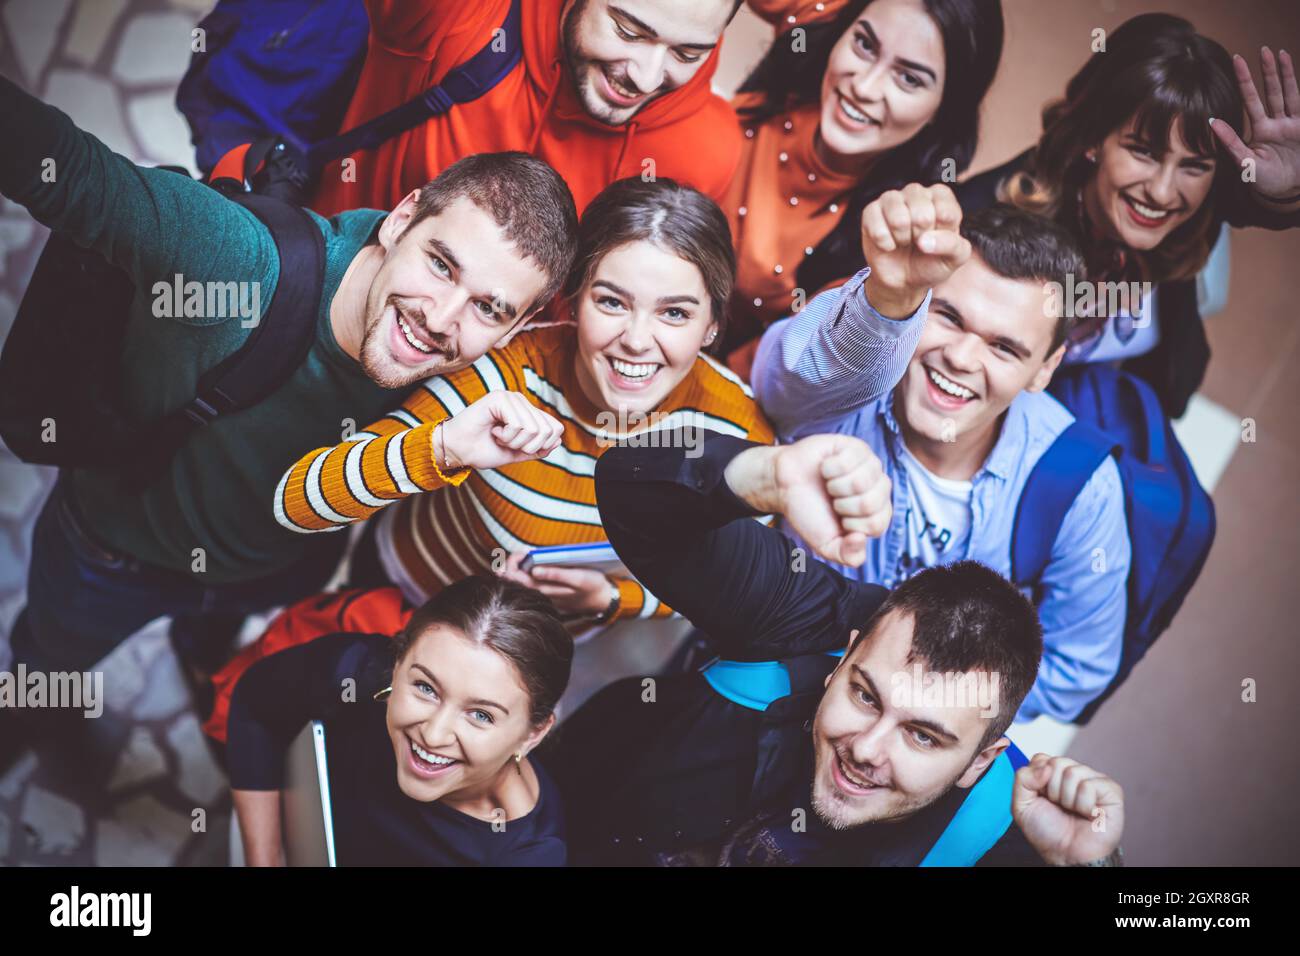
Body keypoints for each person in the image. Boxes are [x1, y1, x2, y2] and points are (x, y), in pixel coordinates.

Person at [0, 69, 578, 770]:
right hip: (116, 553)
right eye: (440, 264)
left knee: (213, 639)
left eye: (489, 308)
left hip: (278, 568)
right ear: (402, 219)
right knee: (47, 666)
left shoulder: (471, 372)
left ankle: (199, 651)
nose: (440, 320)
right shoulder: (234, 263)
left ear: (517, 326)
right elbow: (68, 170)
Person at [548, 428, 1126, 866]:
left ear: (981, 759)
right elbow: (628, 489)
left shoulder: (1017, 831)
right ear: (845, 655)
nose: (867, 749)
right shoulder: (809, 615)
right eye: (867, 696)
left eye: (922, 735)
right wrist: (761, 474)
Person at [274, 177, 773, 625]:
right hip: (397, 592)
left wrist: (613, 599)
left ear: (712, 326)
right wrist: (442, 449)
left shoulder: (736, 430)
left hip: (529, 650)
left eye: (675, 313)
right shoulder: (504, 369)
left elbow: (733, 578)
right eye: (612, 302)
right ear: (575, 302)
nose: (637, 340)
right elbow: (298, 503)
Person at [751, 186, 1131, 723]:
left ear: (1045, 369)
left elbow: (1076, 668)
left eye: (1004, 347)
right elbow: (780, 377)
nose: (960, 357)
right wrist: (885, 299)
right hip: (770, 679)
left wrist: (920, 710)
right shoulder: (852, 377)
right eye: (949, 316)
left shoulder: (1081, 486)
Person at [956, 14, 1300, 418]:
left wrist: (1287, 188)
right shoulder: (983, 216)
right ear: (1093, 138)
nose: (1162, 191)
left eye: (1195, 165)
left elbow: (1256, 200)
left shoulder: (1198, 202)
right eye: (1143, 151)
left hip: (1113, 418)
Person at [720, 0, 1004, 361]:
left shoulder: (896, 234)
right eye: (865, 45)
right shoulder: (805, 41)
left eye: (910, 78)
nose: (866, 87)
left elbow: (791, 369)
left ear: (943, 109)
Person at [224, 575, 573, 866]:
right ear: (398, 662)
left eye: (480, 715)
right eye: (426, 688)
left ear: (533, 733)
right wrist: (265, 858)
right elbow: (257, 702)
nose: (433, 736)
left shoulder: (526, 856)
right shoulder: (361, 675)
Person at [310, 0, 746, 217]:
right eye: (628, 31)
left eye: (688, 54)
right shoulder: (462, 16)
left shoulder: (708, 149)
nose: (646, 78)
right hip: (321, 316)